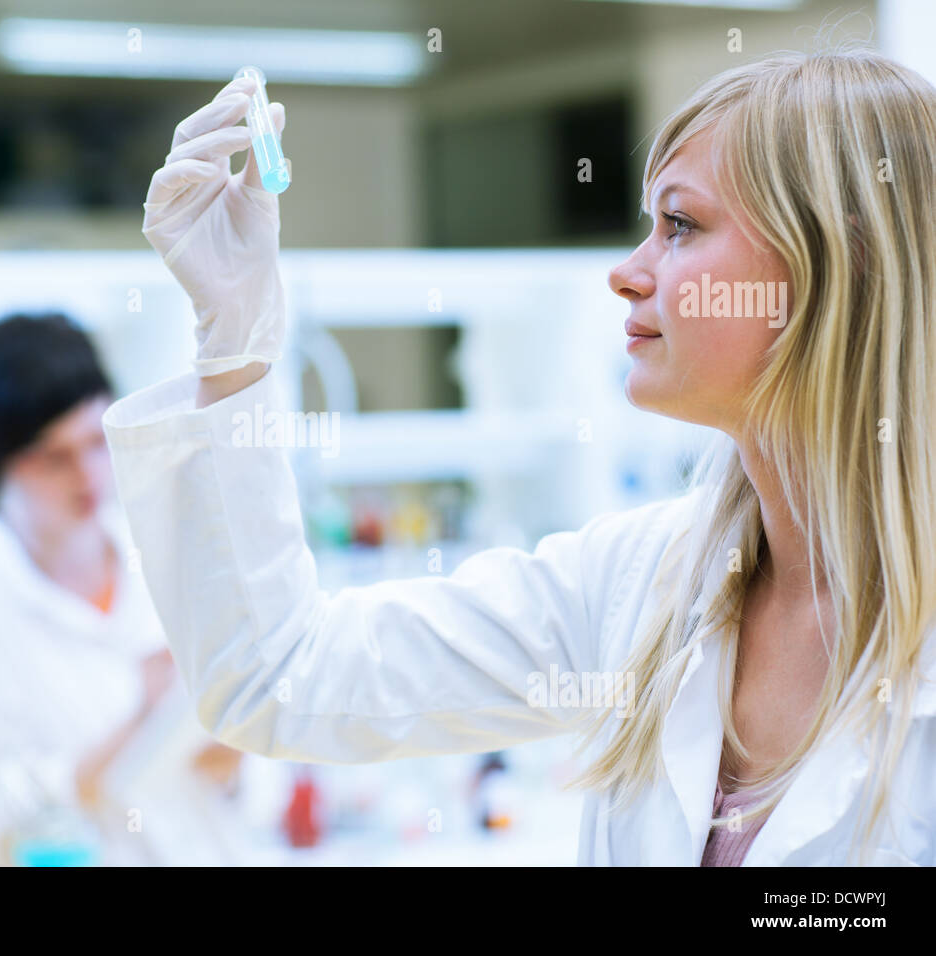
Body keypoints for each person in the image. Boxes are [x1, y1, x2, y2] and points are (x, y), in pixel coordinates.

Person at [100, 54, 936, 866]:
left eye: (680, 226)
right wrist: (234, 330)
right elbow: (282, 679)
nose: (626, 272)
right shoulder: (640, 586)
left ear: (837, 263)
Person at [0, 313, 254, 866]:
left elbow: (260, 783)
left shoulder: (178, 559)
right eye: (53, 457)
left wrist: (234, 762)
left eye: (96, 442)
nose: (87, 475)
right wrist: (141, 722)